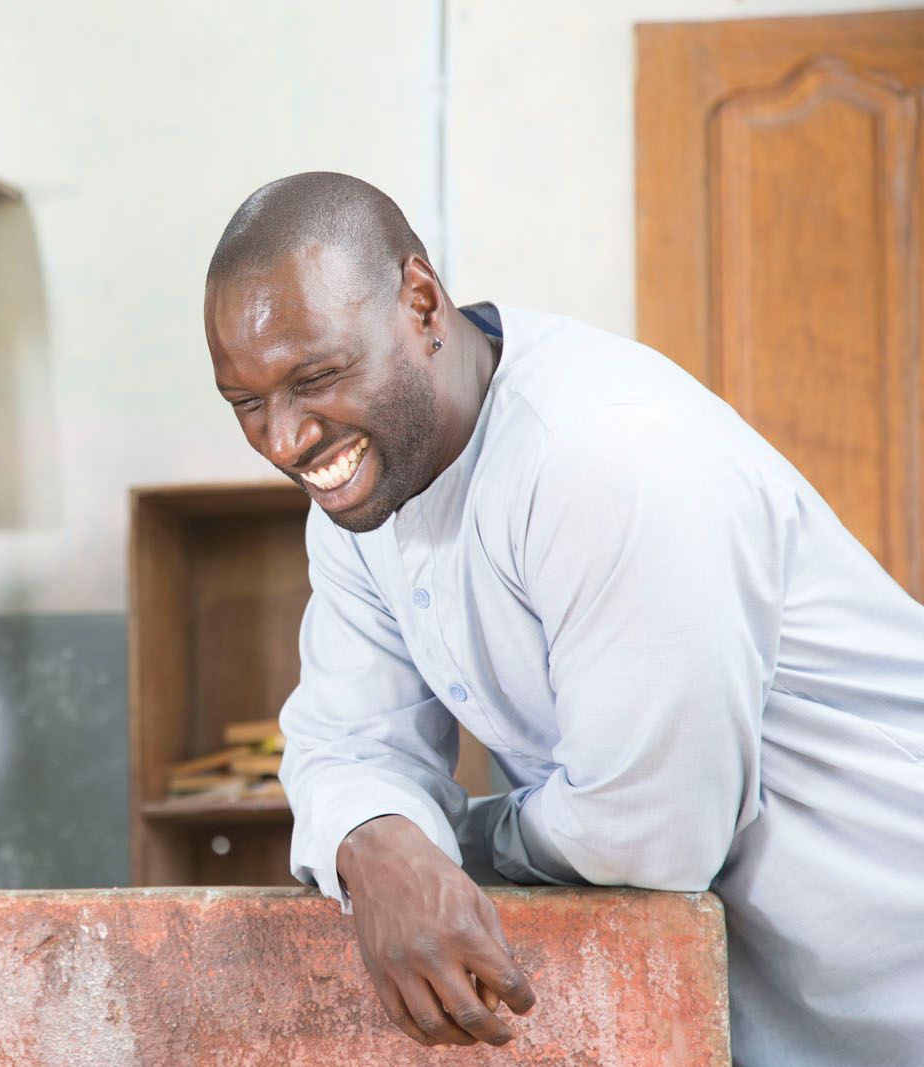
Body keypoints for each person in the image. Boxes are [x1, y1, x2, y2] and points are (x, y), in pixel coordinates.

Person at [202, 172, 924, 1066]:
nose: (283, 441)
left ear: (421, 304)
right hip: (768, 1006)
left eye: (316, 377)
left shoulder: (607, 457)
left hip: (898, 973)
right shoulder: (364, 495)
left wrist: (444, 846)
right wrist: (377, 840)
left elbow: (650, 835)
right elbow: (344, 742)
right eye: (246, 403)